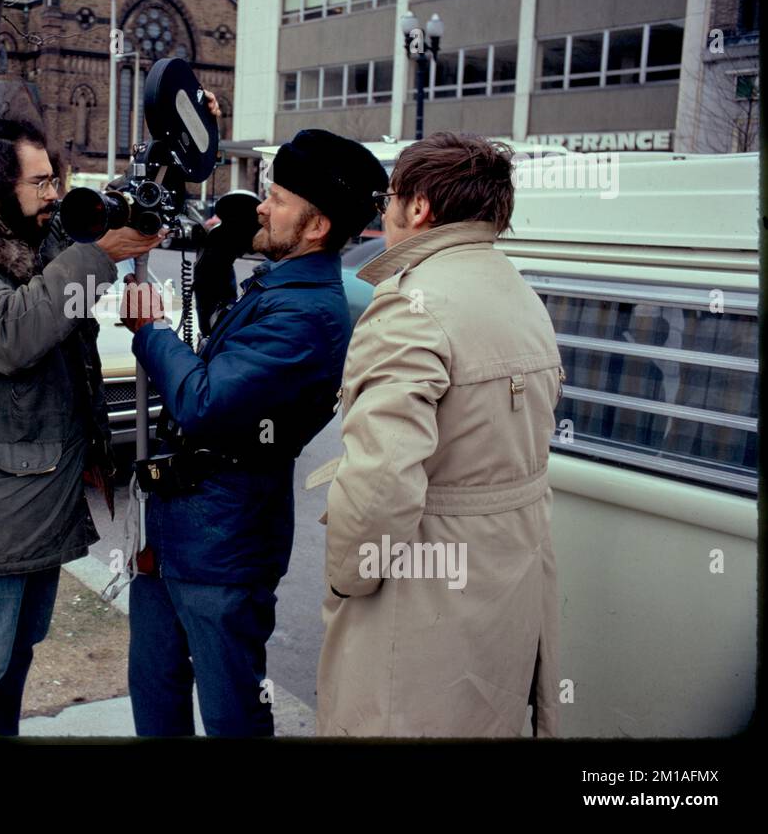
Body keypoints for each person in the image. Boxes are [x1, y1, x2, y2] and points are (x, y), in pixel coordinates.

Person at [0, 115, 163, 737]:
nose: (53, 194)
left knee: (15, 661)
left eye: (56, 180)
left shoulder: (30, 243)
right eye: (41, 182)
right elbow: (13, 332)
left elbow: (68, 343)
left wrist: (164, 151)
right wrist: (97, 257)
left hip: (39, 493)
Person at [119, 126, 385, 736]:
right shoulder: (279, 285)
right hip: (174, 531)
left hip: (223, 548)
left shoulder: (308, 313)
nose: (261, 206)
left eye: (279, 199)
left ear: (317, 226)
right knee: (155, 691)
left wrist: (150, 330)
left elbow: (205, 402)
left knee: (231, 711)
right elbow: (220, 350)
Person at [315, 131, 562, 738]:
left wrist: (349, 579)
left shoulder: (410, 305)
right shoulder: (523, 295)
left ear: (419, 206)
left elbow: (380, 484)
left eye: (389, 197)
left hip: (420, 601)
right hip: (507, 588)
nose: (384, 211)